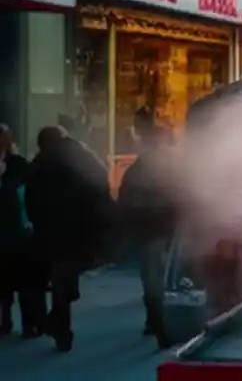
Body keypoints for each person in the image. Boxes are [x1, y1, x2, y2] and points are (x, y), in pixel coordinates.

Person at [24, 125, 113, 351]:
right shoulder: (81, 156)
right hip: (78, 229)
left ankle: (58, 324)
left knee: (59, 277)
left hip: (54, 231)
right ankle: (59, 323)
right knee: (65, 276)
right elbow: (101, 181)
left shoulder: (42, 162)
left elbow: (31, 196)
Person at [116, 110, 180, 348]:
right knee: (161, 276)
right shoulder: (172, 167)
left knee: (153, 276)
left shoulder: (138, 169)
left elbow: (125, 200)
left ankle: (155, 319)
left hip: (152, 228)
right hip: (164, 226)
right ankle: (160, 322)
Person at [1, 124, 43, 338]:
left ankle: (26, 322)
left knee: (23, 280)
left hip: (19, 231)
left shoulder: (17, 165)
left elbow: (32, 192)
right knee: (9, 281)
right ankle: (8, 319)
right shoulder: (18, 165)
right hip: (12, 231)